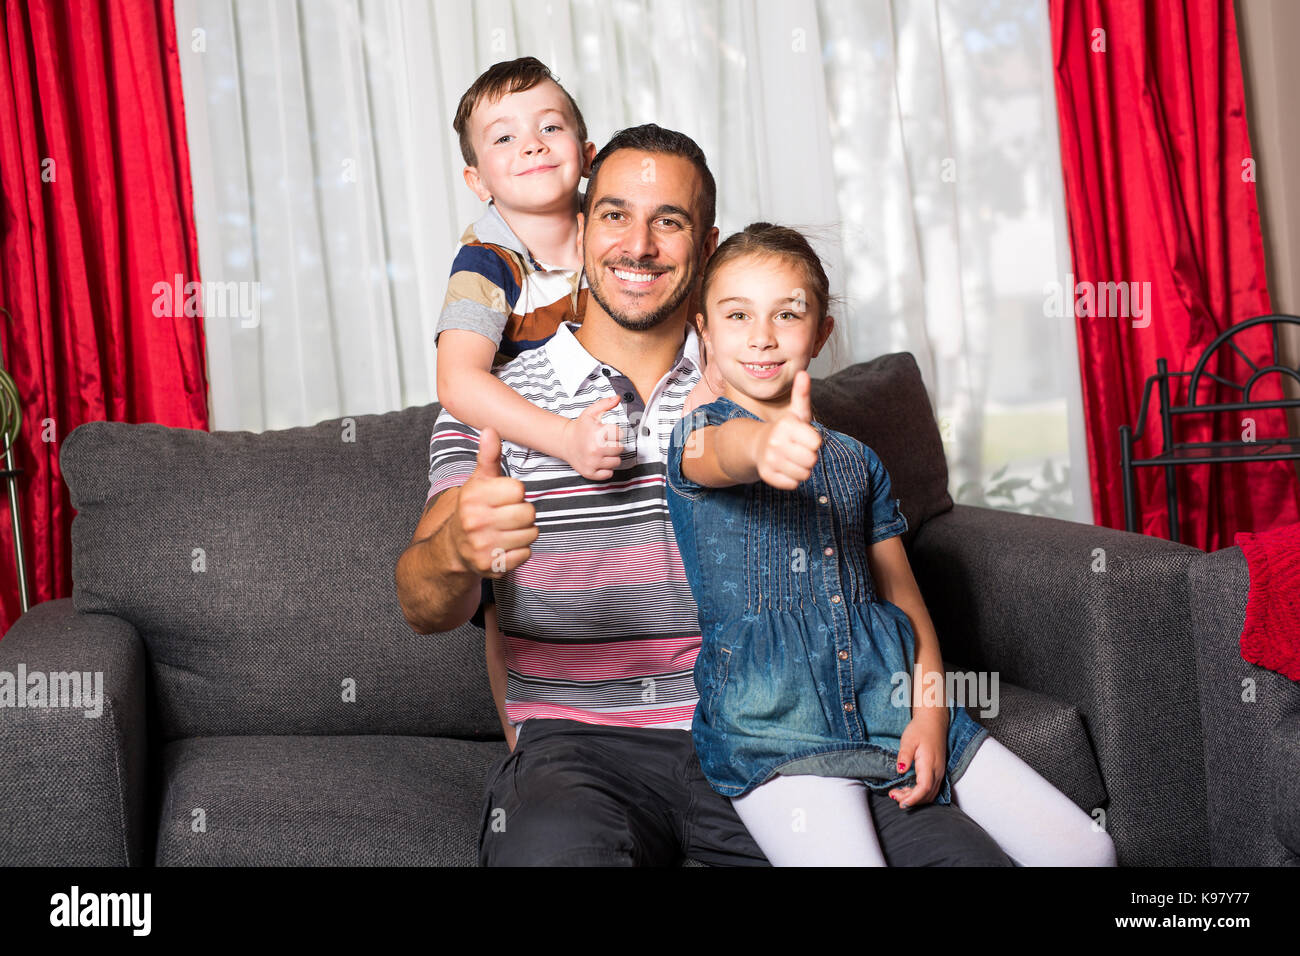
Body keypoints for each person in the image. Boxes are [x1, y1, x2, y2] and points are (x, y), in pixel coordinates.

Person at [396, 123, 1013, 866]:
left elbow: (868, 582)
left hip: (781, 735)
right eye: (616, 214)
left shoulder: (762, 386)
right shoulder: (498, 402)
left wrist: (923, 698)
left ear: (707, 241)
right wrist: (459, 549)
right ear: (583, 226)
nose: (639, 245)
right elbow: (422, 602)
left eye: (671, 221)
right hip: (582, 750)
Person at [664, 222, 1119, 867]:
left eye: (787, 315)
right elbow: (721, 458)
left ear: (821, 332)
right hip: (773, 731)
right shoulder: (695, 440)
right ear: (703, 329)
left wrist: (930, 716)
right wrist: (762, 447)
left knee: (1087, 852)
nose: (762, 336)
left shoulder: (858, 462)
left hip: (890, 705)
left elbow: (906, 605)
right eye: (737, 315)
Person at [436, 58, 722, 747]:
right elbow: (460, 382)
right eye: (502, 138)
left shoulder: (618, 241)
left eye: (550, 127)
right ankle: (526, 749)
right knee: (507, 599)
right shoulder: (488, 260)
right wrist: (560, 438)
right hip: (529, 443)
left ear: (588, 160)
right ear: (477, 182)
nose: (531, 144)